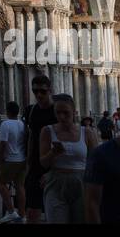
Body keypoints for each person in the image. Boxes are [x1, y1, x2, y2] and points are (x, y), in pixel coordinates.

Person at [38, 93, 97, 223]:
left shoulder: (87, 132)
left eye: (66, 113)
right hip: (56, 183)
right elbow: (43, 163)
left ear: (74, 112)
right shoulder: (47, 131)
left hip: (81, 183)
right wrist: (53, 152)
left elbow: (95, 163)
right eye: (58, 113)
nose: (61, 117)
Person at [23, 73, 58, 223]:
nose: (38, 95)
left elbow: (64, 139)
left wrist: (53, 171)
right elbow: (31, 137)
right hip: (36, 166)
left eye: (42, 91)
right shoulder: (32, 110)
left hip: (54, 166)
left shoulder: (57, 111)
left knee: (55, 210)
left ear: (50, 90)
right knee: (32, 210)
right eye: (35, 91)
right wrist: (28, 165)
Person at [0, 101, 27, 223]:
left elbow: (3, 143)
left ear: (7, 111)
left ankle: (11, 211)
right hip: (22, 159)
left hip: (10, 159)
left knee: (0, 183)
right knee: (20, 186)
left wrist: (1, 159)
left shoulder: (5, 124)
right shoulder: (22, 124)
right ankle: (22, 215)